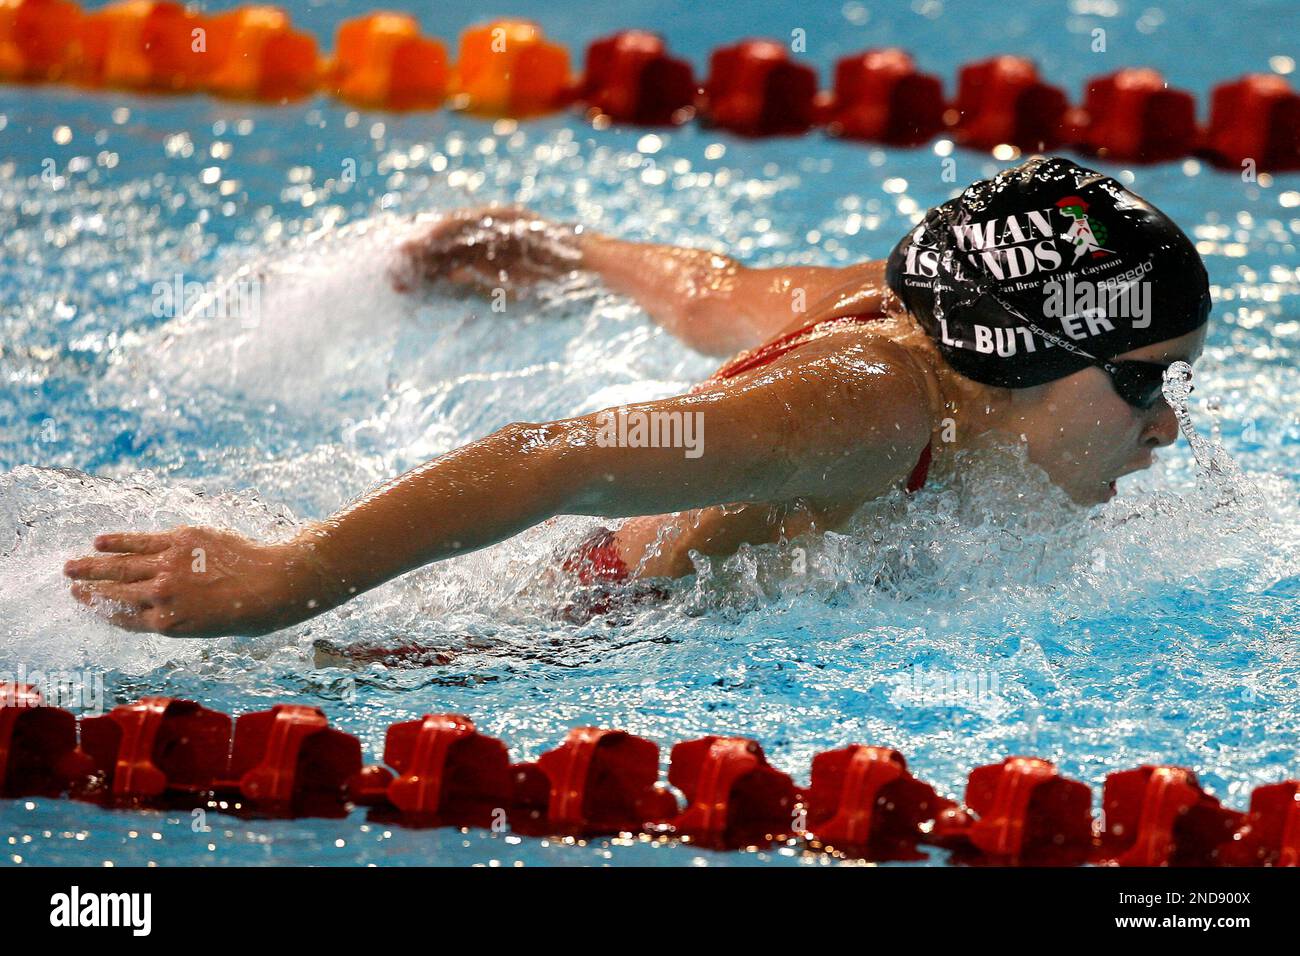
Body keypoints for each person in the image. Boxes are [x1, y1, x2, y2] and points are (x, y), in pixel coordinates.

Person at [64, 156, 1211, 638]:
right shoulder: (868, 408)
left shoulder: (889, 301)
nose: (1168, 423)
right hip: (582, 628)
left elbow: (712, 292)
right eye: (1143, 380)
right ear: (1020, 355)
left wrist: (558, 248)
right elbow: (558, 450)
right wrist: (290, 573)